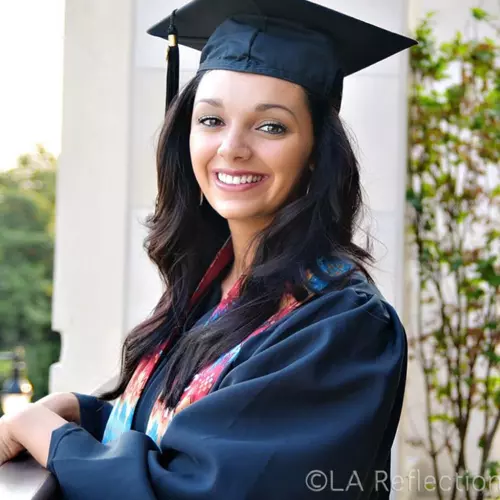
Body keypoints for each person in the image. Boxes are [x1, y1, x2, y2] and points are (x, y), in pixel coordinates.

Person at [0, 0, 416, 498]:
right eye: (212, 120)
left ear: (314, 156)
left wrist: (39, 430)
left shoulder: (341, 327)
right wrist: (82, 410)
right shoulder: (211, 288)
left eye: (271, 126)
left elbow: (202, 487)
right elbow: (189, 432)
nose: (232, 148)